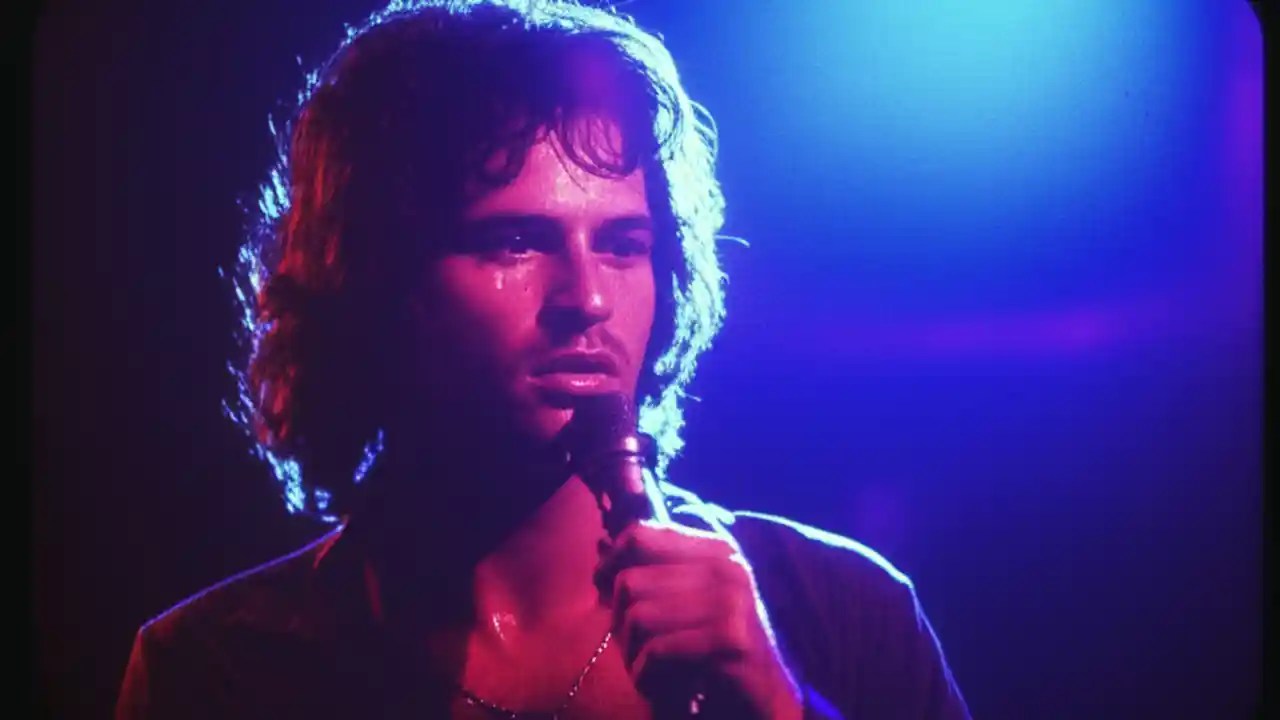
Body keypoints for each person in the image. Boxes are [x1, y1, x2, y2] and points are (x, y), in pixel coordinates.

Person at [116, 1, 971, 718]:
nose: (587, 298)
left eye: (625, 243)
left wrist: (779, 705)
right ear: (374, 276)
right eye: (516, 240)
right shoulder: (216, 671)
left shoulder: (843, 616)